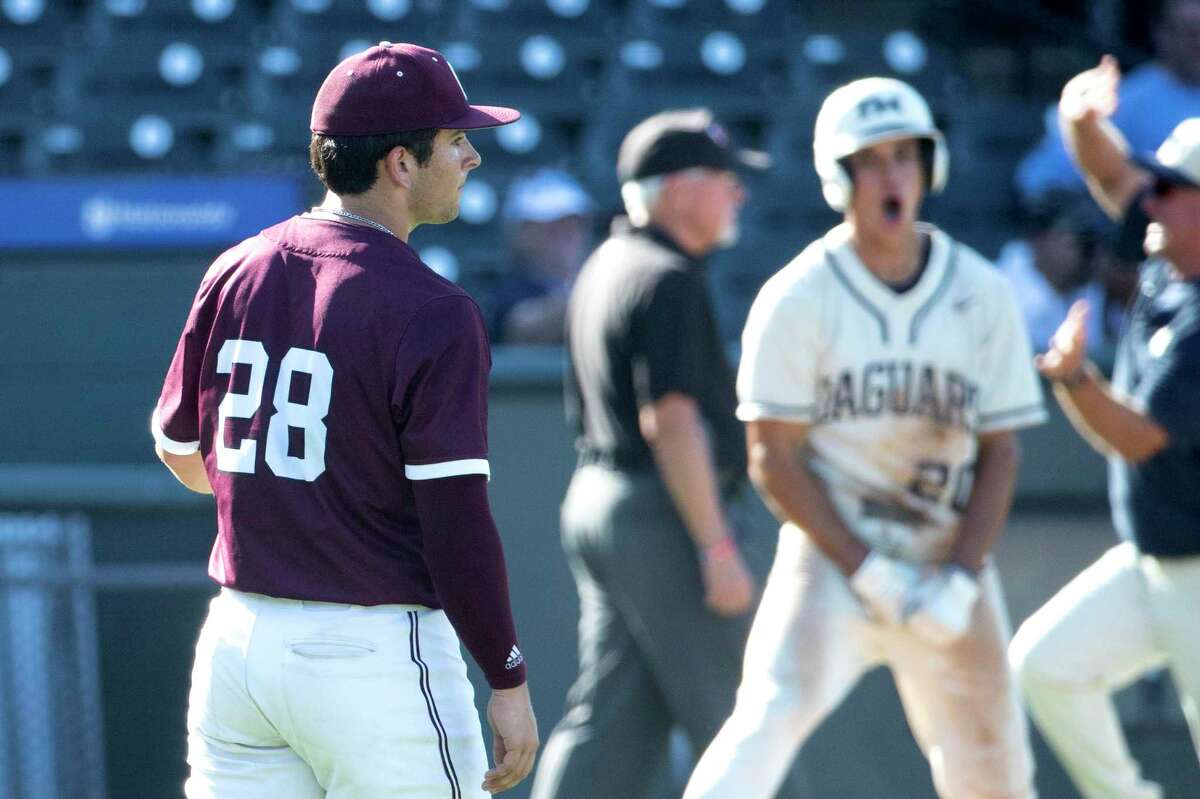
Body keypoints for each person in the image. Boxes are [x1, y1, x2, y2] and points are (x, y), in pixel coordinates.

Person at [151, 42, 538, 798]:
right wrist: (507, 673)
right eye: (455, 140)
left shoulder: (237, 266)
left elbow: (181, 452)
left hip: (238, 641)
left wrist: (288, 501)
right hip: (368, 654)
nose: (470, 157)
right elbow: (454, 520)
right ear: (400, 163)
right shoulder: (436, 308)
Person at [684, 77, 1046, 799]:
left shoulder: (980, 292)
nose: (892, 176)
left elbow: (1002, 450)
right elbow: (772, 456)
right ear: (836, 175)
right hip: (833, 555)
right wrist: (864, 566)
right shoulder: (798, 296)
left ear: (930, 167)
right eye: (871, 160)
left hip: (949, 556)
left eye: (905, 157)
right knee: (764, 721)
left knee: (997, 771)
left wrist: (965, 574)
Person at [529, 108, 789, 799]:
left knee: (612, 726)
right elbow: (671, 420)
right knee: (745, 720)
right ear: (677, 188)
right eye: (724, 179)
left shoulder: (608, 261)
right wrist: (716, 547)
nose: (738, 193)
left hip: (602, 501)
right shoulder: (667, 276)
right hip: (662, 514)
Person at [1008, 56, 1200, 799]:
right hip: (1157, 561)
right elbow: (1113, 177)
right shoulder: (1172, 257)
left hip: (1197, 575)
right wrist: (1081, 121)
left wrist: (1074, 381)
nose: (1149, 200)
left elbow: (1142, 435)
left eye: (1171, 189)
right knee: (1049, 664)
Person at [1015, 0, 1200, 203]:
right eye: (1191, 33)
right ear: (1162, 34)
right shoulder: (1126, 99)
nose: (1198, 43)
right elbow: (1041, 178)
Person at [486, 168, 593, 345]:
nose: (564, 236)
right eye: (550, 229)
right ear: (521, 235)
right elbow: (522, 329)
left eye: (571, 226)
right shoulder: (508, 289)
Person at [995, 190, 1111, 348]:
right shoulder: (999, 285)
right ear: (1040, 238)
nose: (1084, 251)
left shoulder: (1091, 287)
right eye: (1076, 239)